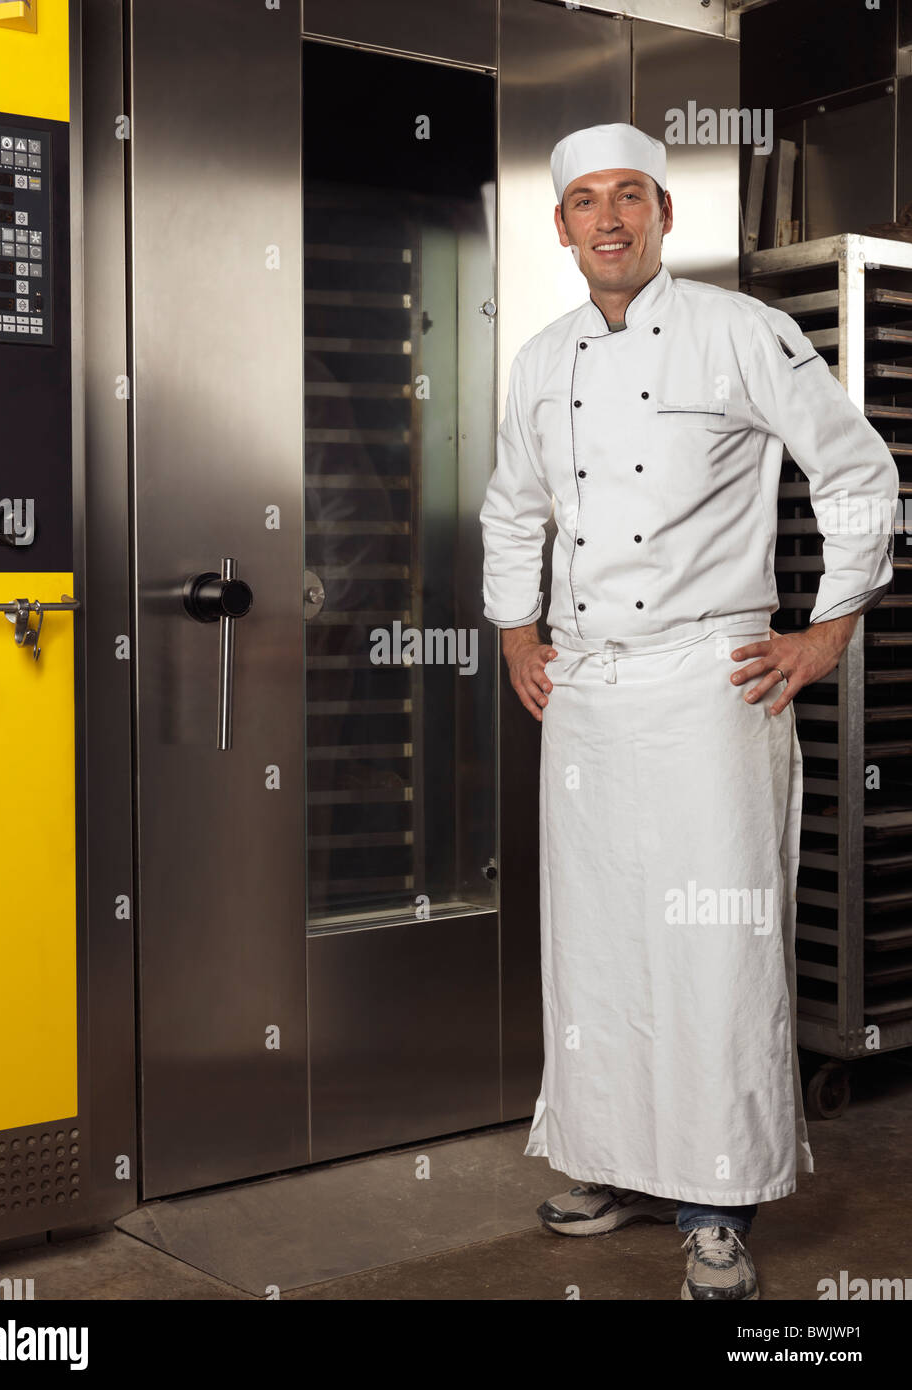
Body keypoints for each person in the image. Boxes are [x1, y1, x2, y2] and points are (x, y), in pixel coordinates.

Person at [480, 122, 898, 1300]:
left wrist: (833, 624)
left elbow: (857, 470)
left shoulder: (743, 332)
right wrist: (517, 626)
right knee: (600, 944)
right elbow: (515, 508)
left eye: (631, 199)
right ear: (559, 226)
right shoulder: (541, 358)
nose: (609, 221)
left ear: (662, 215)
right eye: (586, 204)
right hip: (589, 690)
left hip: (714, 685)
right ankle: (610, 1161)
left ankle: (716, 1202)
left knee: (712, 948)